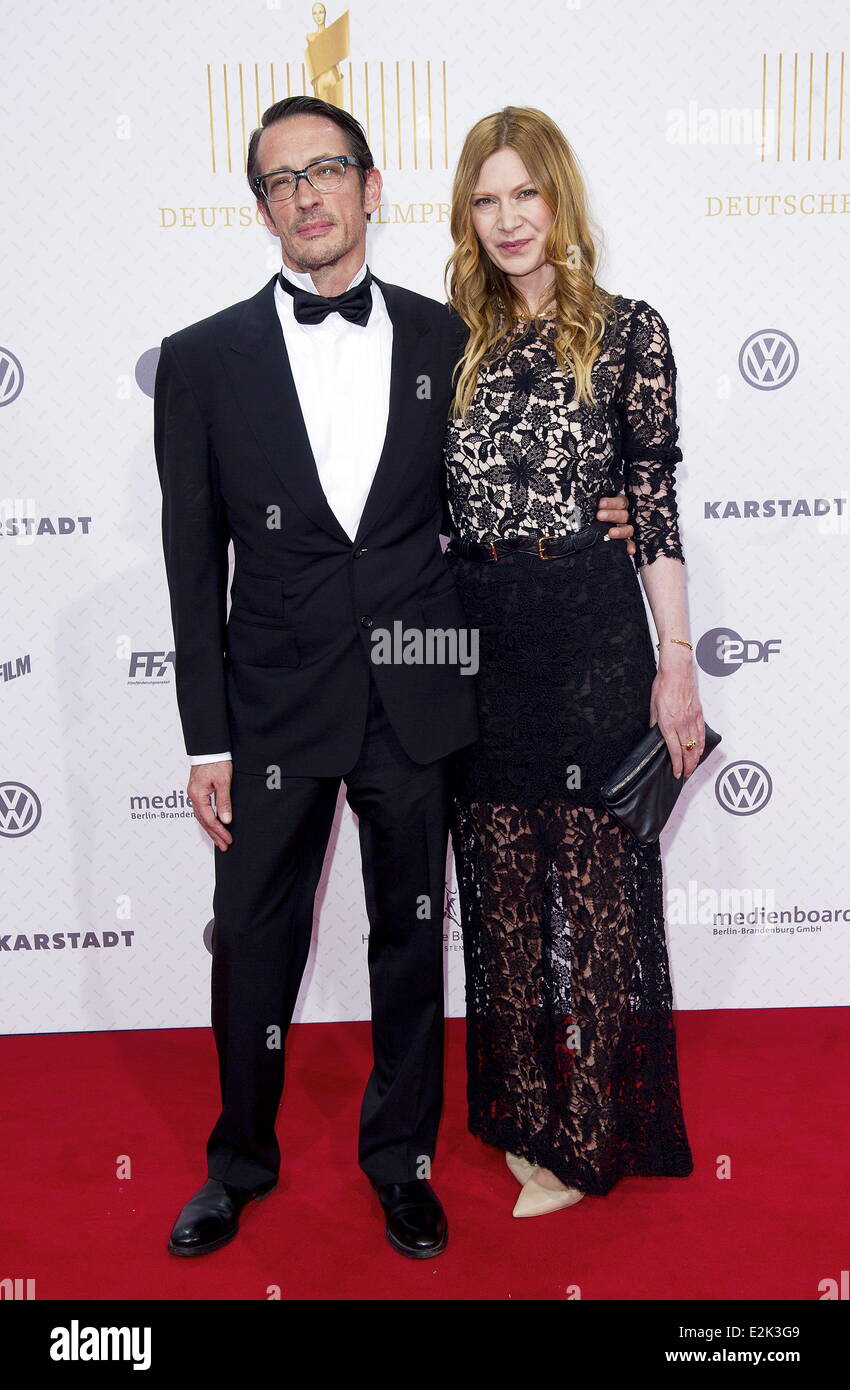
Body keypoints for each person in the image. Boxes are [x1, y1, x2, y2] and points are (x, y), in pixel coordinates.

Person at [154, 94, 636, 1259]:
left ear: (373, 188)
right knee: (254, 940)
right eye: (280, 180)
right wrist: (202, 738)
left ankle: (400, 1164)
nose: (306, 195)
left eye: (326, 170)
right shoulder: (202, 359)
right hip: (271, 704)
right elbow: (188, 560)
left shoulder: (444, 339)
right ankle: (239, 1163)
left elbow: (511, 474)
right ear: (262, 207)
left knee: (410, 940)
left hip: (418, 691)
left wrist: (604, 513)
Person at [442, 106, 703, 1217]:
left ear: (559, 199)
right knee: (498, 894)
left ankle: (590, 1132)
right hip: (475, 634)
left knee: (592, 889)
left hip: (593, 629)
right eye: (485, 200)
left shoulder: (631, 331)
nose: (507, 220)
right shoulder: (443, 338)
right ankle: (520, 1111)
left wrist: (676, 657)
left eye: (524, 195)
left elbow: (650, 503)